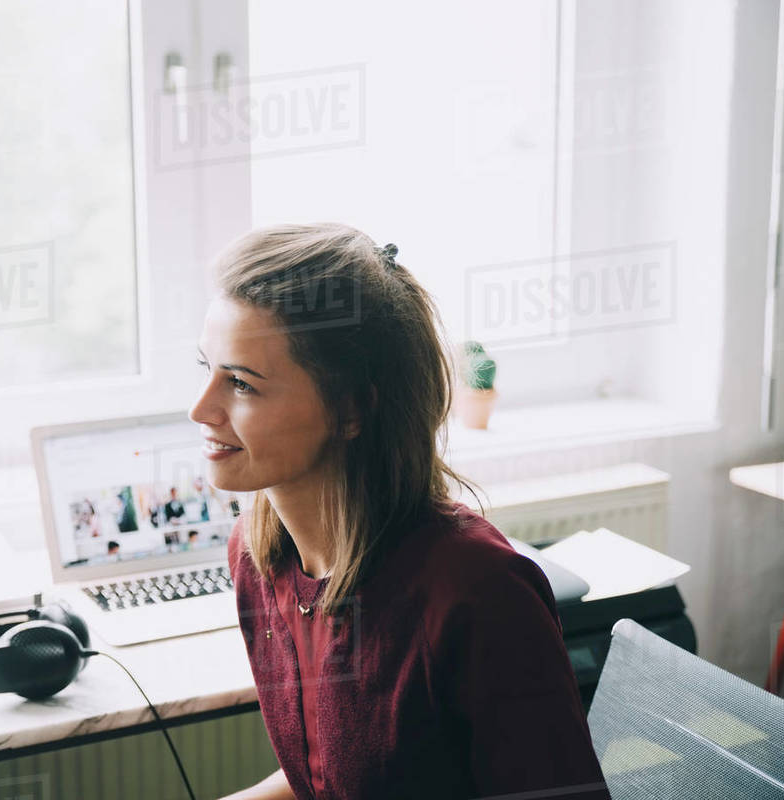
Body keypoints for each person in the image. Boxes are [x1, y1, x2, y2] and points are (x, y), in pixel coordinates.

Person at [190, 223, 610, 800]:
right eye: (205, 369)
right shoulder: (257, 554)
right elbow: (325, 779)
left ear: (352, 409)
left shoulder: (477, 590)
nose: (200, 409)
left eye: (240, 383)